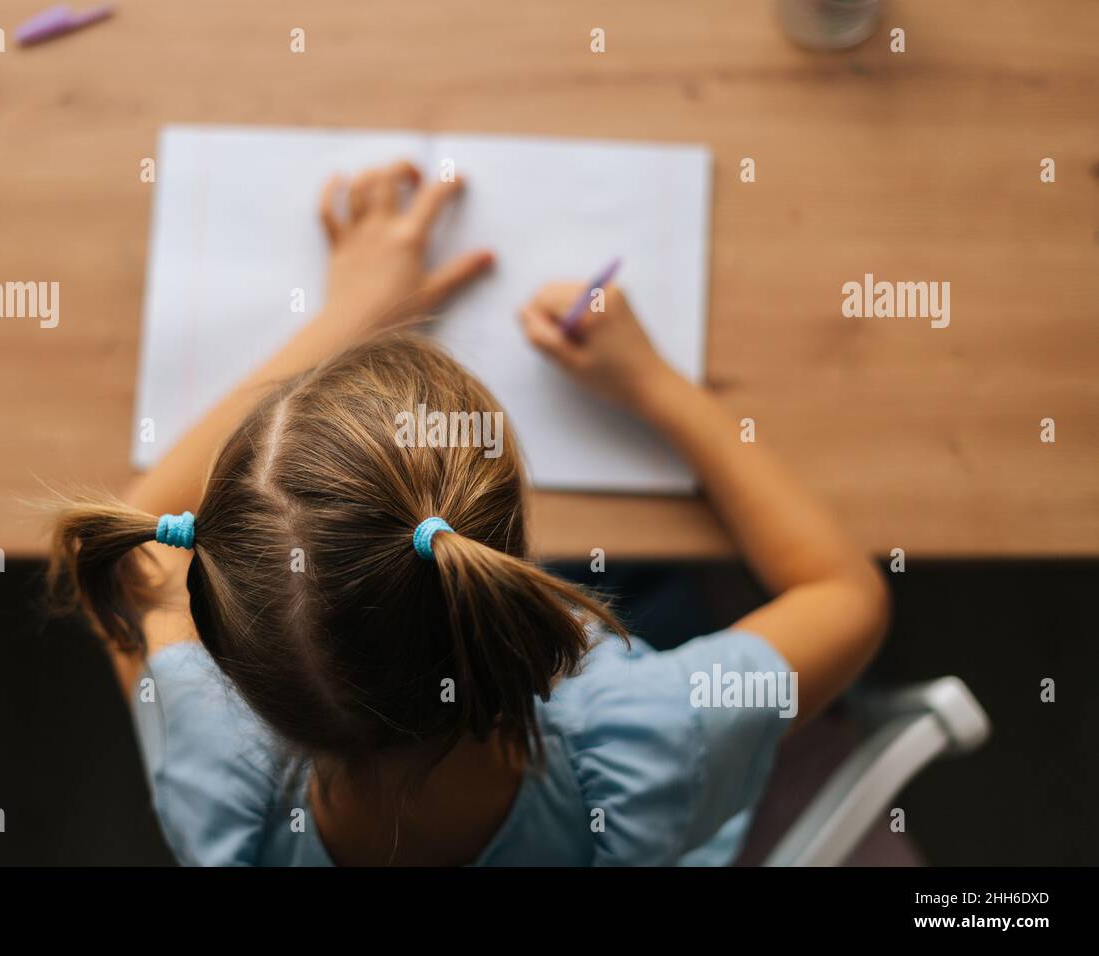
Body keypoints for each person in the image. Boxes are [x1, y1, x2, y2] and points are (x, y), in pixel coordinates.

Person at [49, 160, 889, 865]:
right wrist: (660, 388)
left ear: (235, 661)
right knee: (656, 580)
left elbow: (127, 533)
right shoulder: (642, 745)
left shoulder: (223, 804)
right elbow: (847, 597)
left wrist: (346, 315)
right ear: (506, 545)